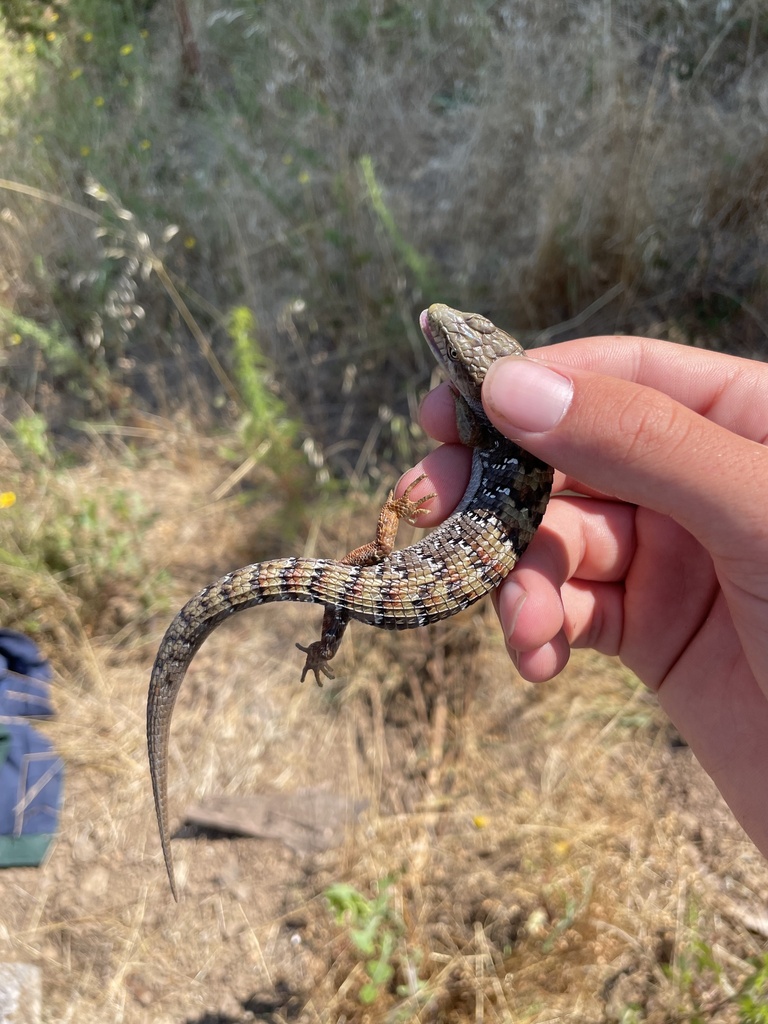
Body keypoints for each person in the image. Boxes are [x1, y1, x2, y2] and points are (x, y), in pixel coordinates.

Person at [398, 334, 768, 857]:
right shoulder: (498, 422)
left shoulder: (498, 418)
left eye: (458, 358)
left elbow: (463, 427)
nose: (442, 331)